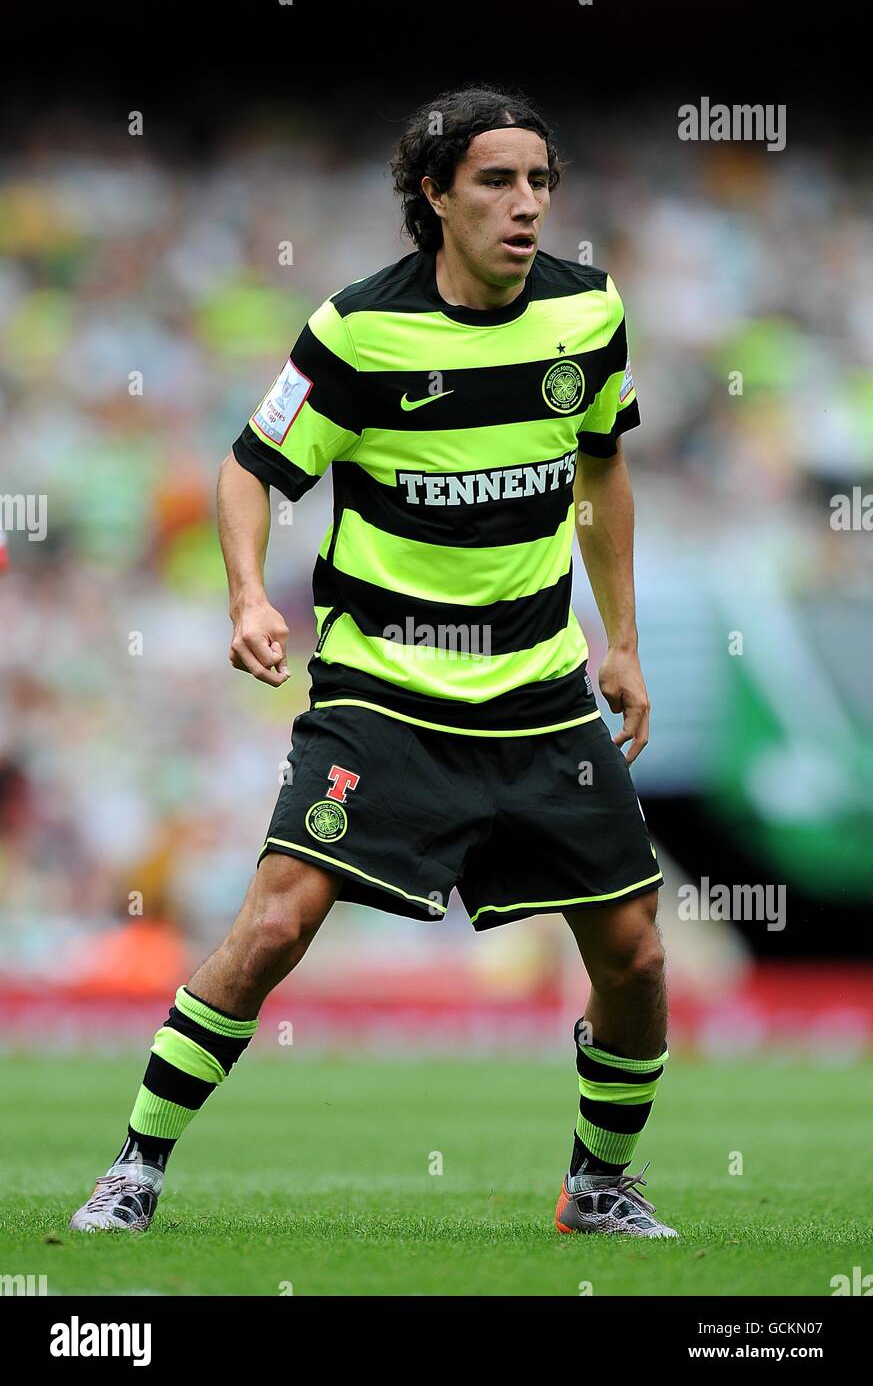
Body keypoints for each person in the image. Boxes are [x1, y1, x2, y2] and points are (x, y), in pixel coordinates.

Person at [71, 83, 673, 1238]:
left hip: (540, 690)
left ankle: (597, 1185)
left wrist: (626, 642)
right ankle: (135, 1168)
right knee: (276, 925)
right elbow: (250, 468)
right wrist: (247, 593)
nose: (527, 205)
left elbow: (601, 472)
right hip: (384, 690)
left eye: (541, 181)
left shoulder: (589, 315)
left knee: (638, 955)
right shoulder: (355, 329)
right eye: (497, 181)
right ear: (434, 194)